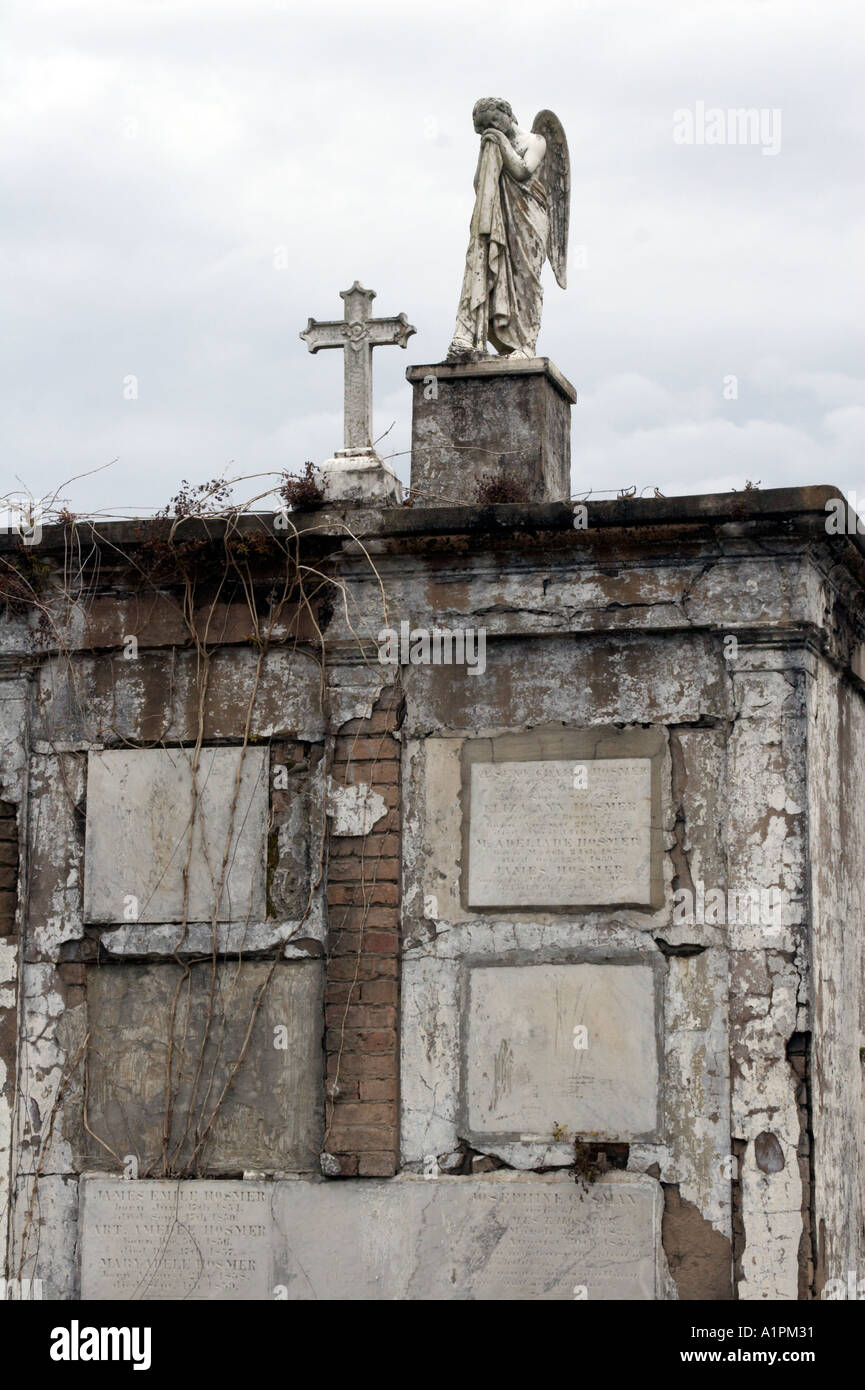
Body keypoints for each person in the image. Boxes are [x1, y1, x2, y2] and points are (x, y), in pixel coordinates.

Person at [447, 97, 548, 361]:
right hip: (501, 218)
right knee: (502, 273)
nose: (489, 130)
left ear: (508, 115)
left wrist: (498, 142)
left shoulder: (535, 140)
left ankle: (526, 345)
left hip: (529, 218)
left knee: (526, 278)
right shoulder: (491, 144)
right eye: (482, 129)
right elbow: (479, 184)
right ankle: (502, 341)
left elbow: (523, 171)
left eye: (493, 123)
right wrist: (487, 150)